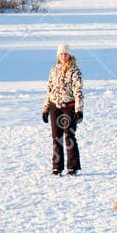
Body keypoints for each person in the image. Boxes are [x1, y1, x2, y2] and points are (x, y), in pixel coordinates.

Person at [42, 43, 84, 176]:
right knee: (56, 137)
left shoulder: (74, 71)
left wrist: (79, 109)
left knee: (69, 136)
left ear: (69, 55)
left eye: (65, 54)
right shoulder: (53, 70)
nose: (63, 56)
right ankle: (57, 167)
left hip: (69, 106)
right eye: (61, 54)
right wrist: (46, 108)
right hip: (55, 107)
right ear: (58, 56)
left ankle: (72, 167)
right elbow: (49, 91)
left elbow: (78, 91)